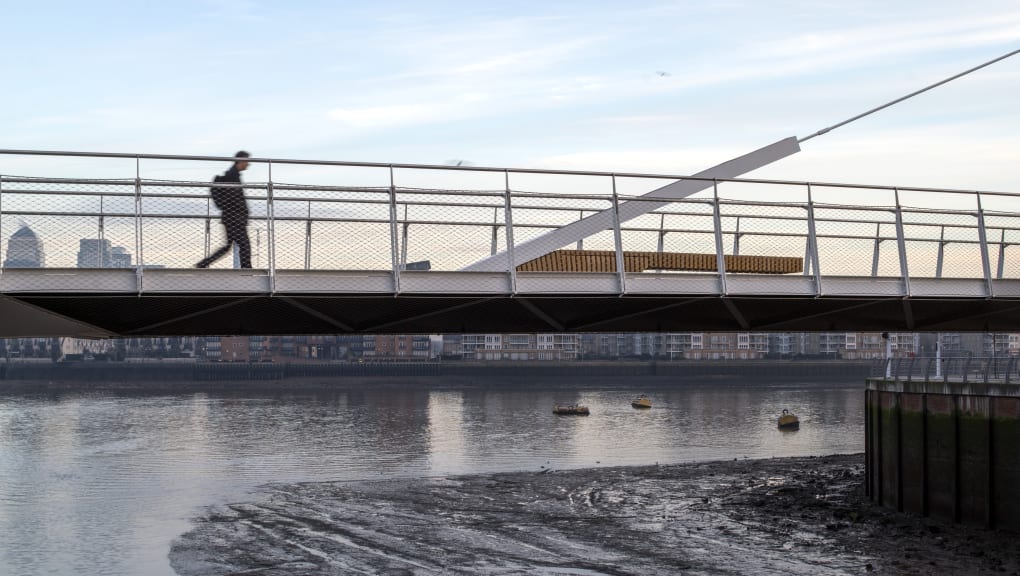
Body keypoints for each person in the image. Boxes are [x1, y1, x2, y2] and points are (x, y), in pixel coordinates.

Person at [197, 151, 252, 269]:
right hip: (235, 218)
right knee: (244, 245)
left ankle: (203, 263)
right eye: (247, 161)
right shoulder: (232, 176)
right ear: (241, 161)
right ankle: (247, 270)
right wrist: (242, 212)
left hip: (231, 217)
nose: (248, 164)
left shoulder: (232, 174)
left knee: (228, 246)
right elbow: (234, 198)